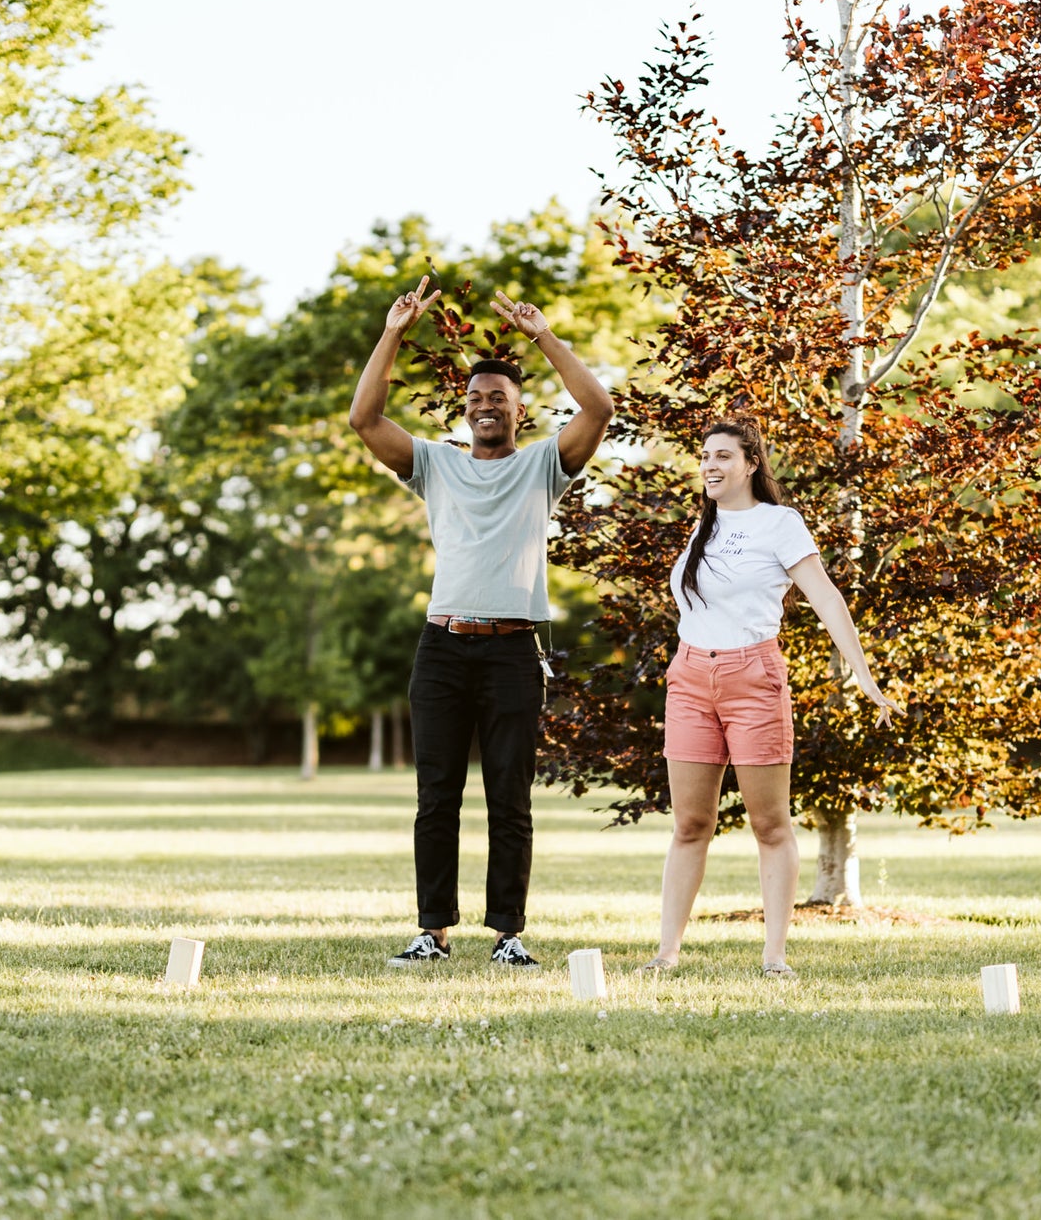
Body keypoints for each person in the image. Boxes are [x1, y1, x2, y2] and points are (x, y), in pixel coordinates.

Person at [348, 278, 615, 968]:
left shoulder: (541, 467)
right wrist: (394, 333)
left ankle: (508, 935)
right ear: (464, 413)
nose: (485, 406)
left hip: (512, 651)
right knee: (436, 796)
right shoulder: (435, 464)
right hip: (441, 646)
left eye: (498, 398)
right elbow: (364, 420)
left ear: (520, 413)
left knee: (509, 797)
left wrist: (543, 338)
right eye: (475, 400)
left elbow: (599, 406)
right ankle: (431, 932)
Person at [641, 419, 899, 978]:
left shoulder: (780, 524)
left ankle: (775, 957)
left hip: (752, 678)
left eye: (722, 457)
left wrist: (865, 676)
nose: (709, 466)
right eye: (704, 456)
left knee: (769, 824)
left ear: (752, 463)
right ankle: (665, 954)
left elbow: (827, 599)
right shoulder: (703, 526)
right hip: (689, 678)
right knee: (689, 824)